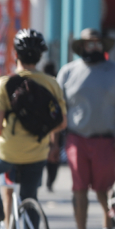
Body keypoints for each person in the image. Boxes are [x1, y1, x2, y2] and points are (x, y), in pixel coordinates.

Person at [0, 30, 66, 229]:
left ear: (15, 54)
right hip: (37, 153)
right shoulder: (52, 83)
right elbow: (61, 122)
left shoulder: (4, 84)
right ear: (39, 56)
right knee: (31, 198)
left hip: (7, 151)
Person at [57, 28, 115, 229]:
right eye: (90, 44)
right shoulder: (68, 72)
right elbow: (58, 108)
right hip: (77, 137)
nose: (94, 47)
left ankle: (107, 225)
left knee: (104, 188)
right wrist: (53, 141)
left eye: (98, 44)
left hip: (106, 139)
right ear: (82, 47)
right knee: (79, 188)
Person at [42, 63, 62, 193]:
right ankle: (50, 181)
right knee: (53, 158)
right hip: (55, 126)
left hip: (40, 127)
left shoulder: (40, 84)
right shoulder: (56, 86)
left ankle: (44, 182)